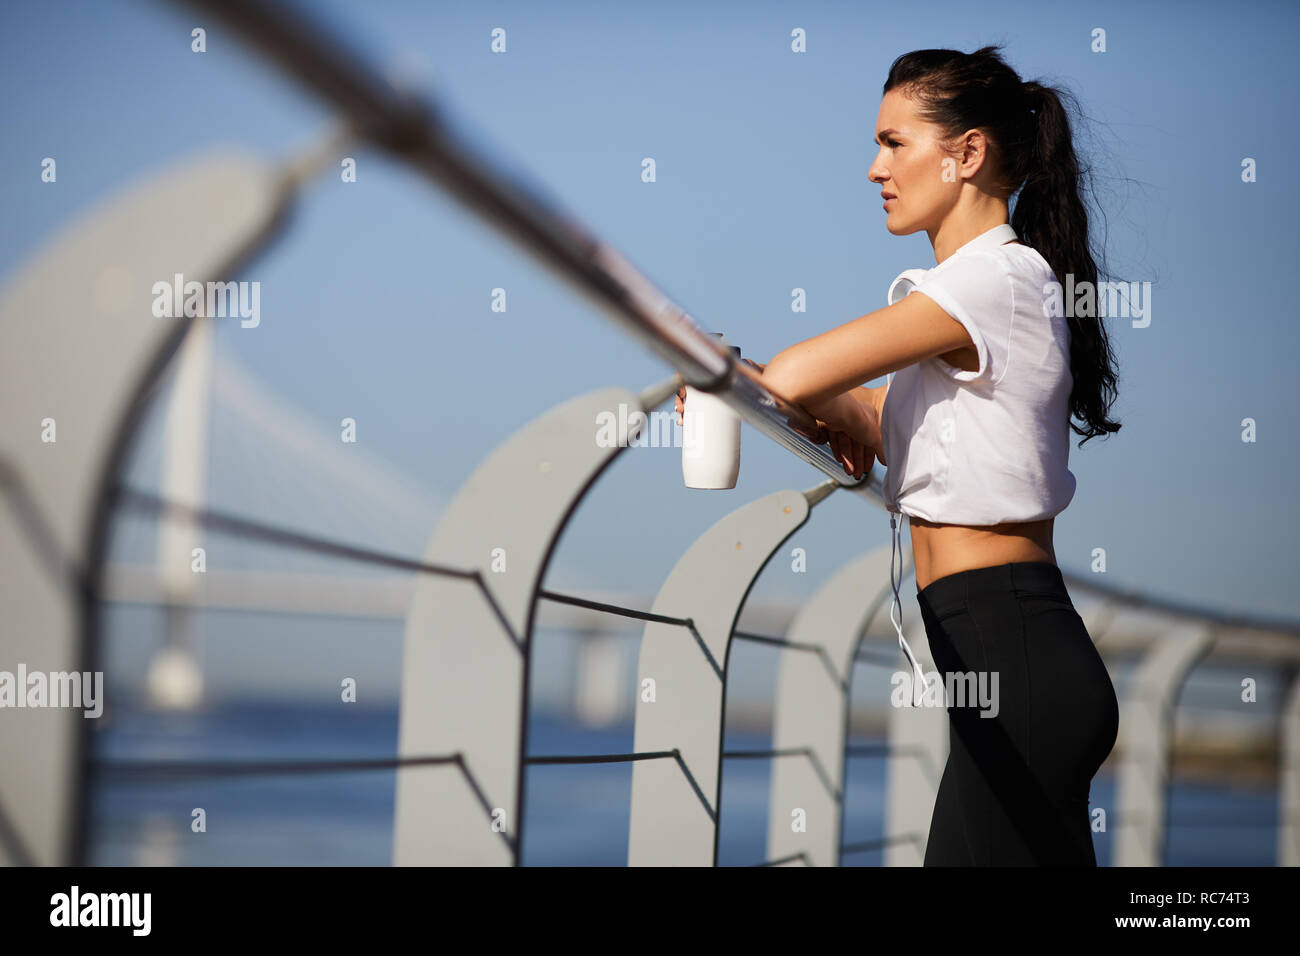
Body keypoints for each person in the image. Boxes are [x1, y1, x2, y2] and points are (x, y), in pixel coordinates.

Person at [675, 45, 1122, 866]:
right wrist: (756, 382)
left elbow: (809, 374)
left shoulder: (995, 280)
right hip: (1001, 655)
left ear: (968, 153)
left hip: (1010, 651)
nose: (874, 167)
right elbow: (879, 420)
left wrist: (761, 379)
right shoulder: (987, 293)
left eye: (894, 142)